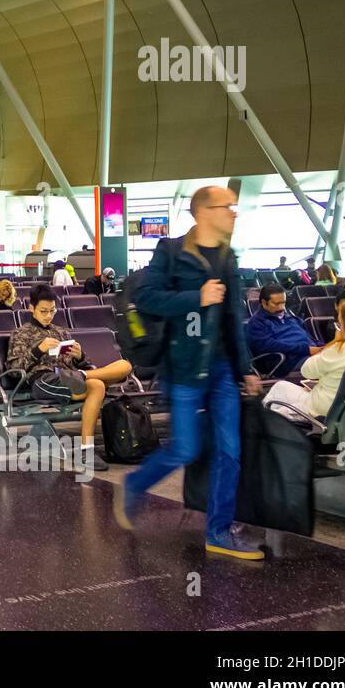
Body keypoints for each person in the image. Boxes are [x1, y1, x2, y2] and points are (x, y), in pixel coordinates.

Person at [115, 185, 264, 560]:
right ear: (202, 212)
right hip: (183, 367)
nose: (232, 212)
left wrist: (245, 368)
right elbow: (146, 298)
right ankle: (135, 483)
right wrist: (195, 297)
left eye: (234, 206)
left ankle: (217, 532)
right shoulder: (171, 251)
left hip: (222, 370)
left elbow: (233, 318)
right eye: (226, 206)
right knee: (186, 447)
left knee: (230, 451)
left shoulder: (228, 258)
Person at [7, 284, 134, 470]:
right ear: (31, 308)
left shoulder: (61, 332)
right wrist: (38, 350)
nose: (48, 315)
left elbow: (89, 363)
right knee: (97, 385)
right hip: (44, 380)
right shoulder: (21, 334)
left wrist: (80, 356)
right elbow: (15, 370)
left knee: (125, 366)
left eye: (52, 311)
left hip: (72, 375)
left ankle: (86, 450)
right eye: (43, 311)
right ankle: (86, 451)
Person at [261, 299, 345, 421]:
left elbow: (307, 371)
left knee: (276, 404)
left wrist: (335, 342)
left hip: (326, 410)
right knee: (281, 388)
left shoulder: (341, 349)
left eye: (340, 324)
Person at [246, 284, 319, 379]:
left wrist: (324, 346)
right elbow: (269, 346)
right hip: (287, 363)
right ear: (264, 302)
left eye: (283, 303)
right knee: (331, 366)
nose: (282, 308)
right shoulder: (256, 323)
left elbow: (309, 337)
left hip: (310, 355)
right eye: (276, 304)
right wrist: (306, 349)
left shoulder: (291, 318)